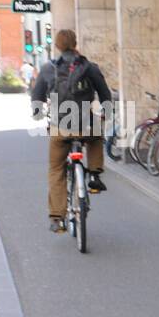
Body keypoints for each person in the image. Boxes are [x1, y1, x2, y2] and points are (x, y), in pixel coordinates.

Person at [30, 29, 113, 234]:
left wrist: (38, 114)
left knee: (56, 169)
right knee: (95, 137)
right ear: (75, 43)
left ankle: (57, 218)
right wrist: (106, 114)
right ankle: (94, 175)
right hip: (86, 124)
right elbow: (105, 95)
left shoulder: (49, 68)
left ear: (57, 46)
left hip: (61, 127)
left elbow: (37, 96)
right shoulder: (89, 67)